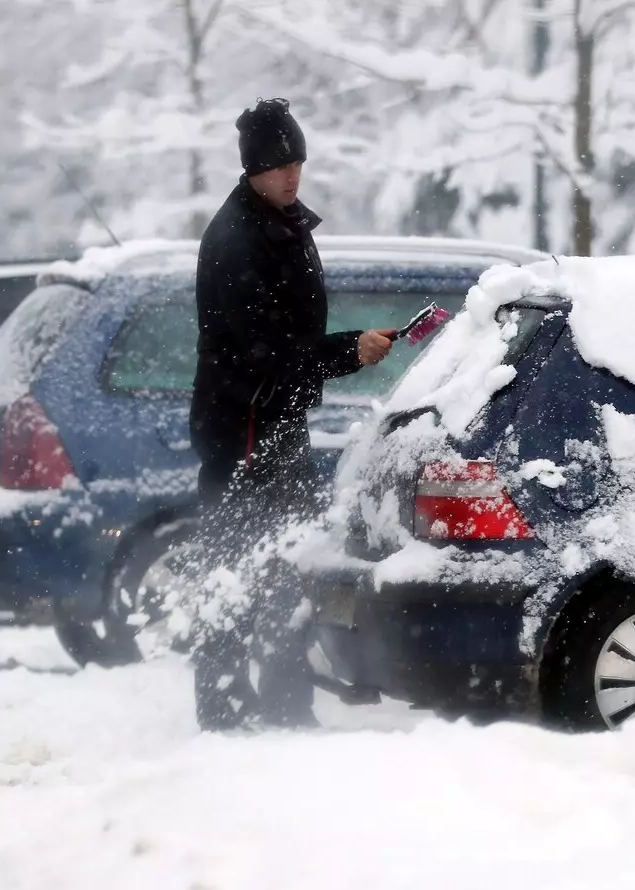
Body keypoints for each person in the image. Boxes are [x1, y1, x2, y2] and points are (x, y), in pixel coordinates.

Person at [186, 97, 394, 731]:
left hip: (280, 422)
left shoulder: (285, 225)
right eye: (278, 166)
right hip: (243, 432)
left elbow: (287, 343)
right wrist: (344, 353)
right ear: (252, 168)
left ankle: (283, 699)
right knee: (236, 570)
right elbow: (259, 353)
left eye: (297, 162)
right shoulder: (235, 241)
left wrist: (338, 354)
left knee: (289, 566)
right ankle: (223, 707)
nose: (291, 175)